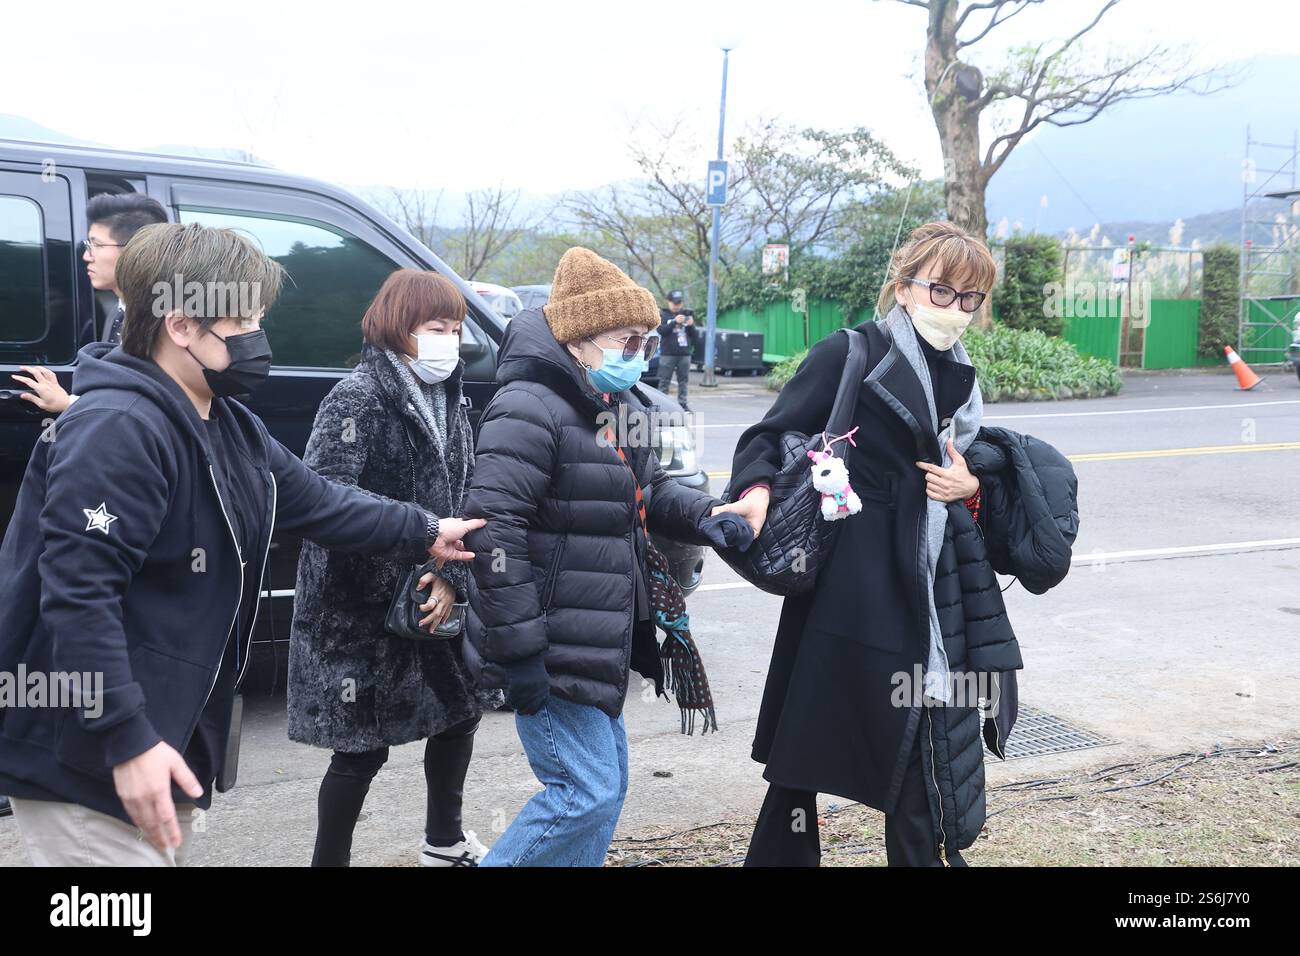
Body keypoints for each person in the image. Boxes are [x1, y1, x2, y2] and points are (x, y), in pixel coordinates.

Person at [0, 223, 484, 866]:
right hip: (89, 759)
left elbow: (320, 501)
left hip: (158, 744)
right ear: (180, 326)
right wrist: (127, 739)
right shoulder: (116, 430)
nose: (260, 340)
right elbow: (77, 598)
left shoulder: (226, 423)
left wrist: (426, 531)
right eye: (244, 321)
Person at [729, 221, 1038, 867]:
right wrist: (756, 490)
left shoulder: (961, 375)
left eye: (970, 297)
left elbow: (965, 465)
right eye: (941, 290)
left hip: (932, 579)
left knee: (923, 732)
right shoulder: (850, 352)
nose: (954, 308)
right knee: (808, 744)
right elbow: (769, 436)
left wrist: (968, 484)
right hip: (851, 580)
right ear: (903, 287)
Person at [460, 248, 761, 867]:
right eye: (629, 339)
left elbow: (648, 492)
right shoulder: (527, 406)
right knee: (583, 795)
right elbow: (494, 531)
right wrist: (519, 643)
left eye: (649, 342)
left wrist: (710, 516)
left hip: (596, 636)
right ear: (578, 338)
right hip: (549, 638)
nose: (641, 354)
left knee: (605, 787)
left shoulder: (613, 409)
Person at [288, 269, 503, 867]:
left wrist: (450, 577)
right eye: (437, 328)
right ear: (397, 327)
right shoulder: (354, 397)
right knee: (361, 749)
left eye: (457, 329)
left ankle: (445, 841)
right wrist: (415, 558)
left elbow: (464, 495)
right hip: (357, 601)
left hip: (432, 590)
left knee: (459, 715)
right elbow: (326, 503)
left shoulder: (451, 398)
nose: (450, 341)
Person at [11, 192, 168, 414]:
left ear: (135, 250)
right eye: (88, 244)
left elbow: (148, 404)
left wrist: (69, 403)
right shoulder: (118, 311)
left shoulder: (164, 320)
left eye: (96, 245)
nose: (86, 256)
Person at [656, 290, 695, 410]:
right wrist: (674, 322)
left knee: (683, 380)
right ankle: (662, 405)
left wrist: (691, 325)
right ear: (668, 302)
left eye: (679, 303)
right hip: (668, 354)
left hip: (684, 354)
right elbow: (661, 330)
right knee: (664, 381)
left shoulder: (686, 314)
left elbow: (693, 335)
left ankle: (683, 403)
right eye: (674, 303)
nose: (677, 305)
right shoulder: (663, 315)